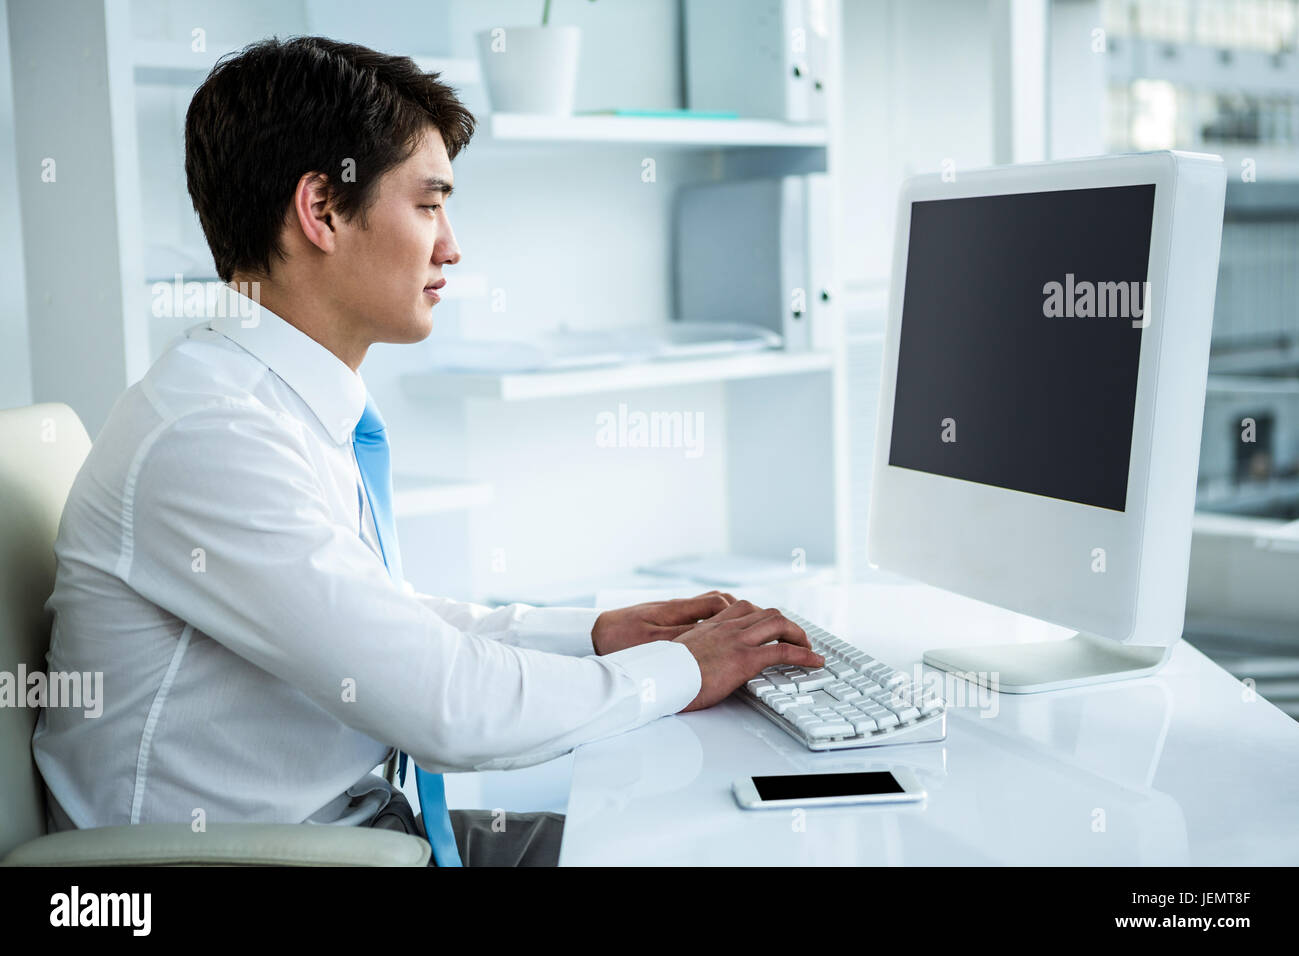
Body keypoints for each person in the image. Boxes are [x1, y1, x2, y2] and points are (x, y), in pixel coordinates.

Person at [31, 36, 823, 867]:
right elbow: (447, 705)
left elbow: (387, 625)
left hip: (353, 835)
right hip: (266, 858)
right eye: (429, 203)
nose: (451, 246)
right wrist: (682, 671)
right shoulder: (212, 433)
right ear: (322, 210)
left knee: (690, 838)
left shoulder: (263, 400)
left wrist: (595, 636)